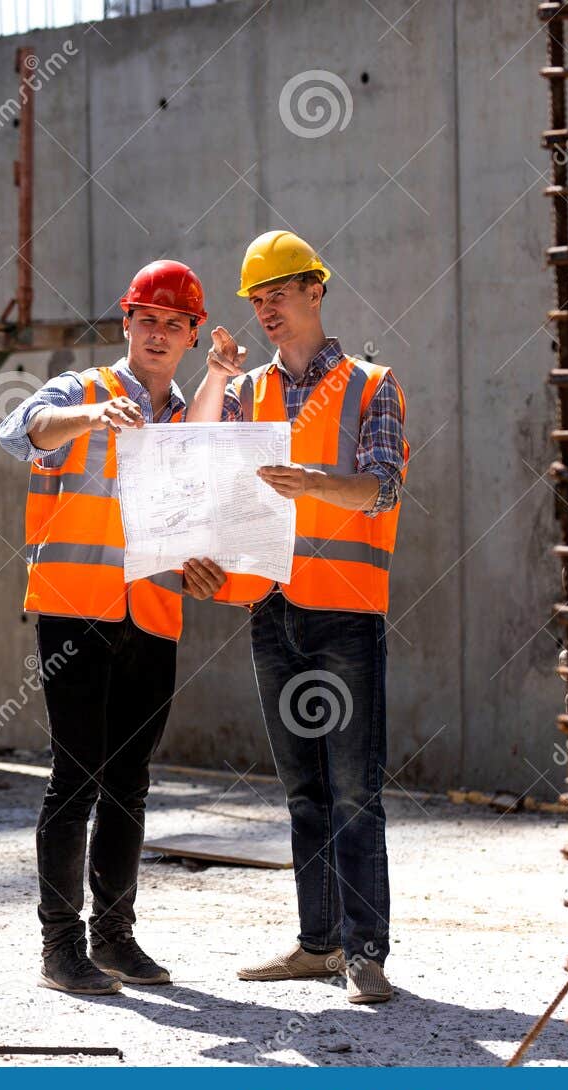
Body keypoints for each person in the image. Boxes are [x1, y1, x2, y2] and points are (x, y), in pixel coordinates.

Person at [0, 260, 235, 995]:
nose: (158, 334)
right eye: (147, 320)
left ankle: (114, 937)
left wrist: (207, 566)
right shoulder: (84, 391)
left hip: (153, 614)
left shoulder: (194, 419)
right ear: (125, 323)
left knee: (129, 782)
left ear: (193, 336)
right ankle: (59, 945)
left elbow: (207, 506)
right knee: (76, 778)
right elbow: (19, 429)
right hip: (75, 607)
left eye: (175, 324)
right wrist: (90, 420)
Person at [188, 230, 409, 1005]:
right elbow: (197, 458)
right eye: (255, 298)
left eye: (278, 292)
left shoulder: (370, 384)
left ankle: (365, 952)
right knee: (303, 792)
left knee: (353, 790)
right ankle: (318, 945)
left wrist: (314, 480)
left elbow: (379, 487)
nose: (265, 309)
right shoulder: (246, 392)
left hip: (345, 613)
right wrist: (214, 377)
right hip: (270, 610)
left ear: (316, 289)